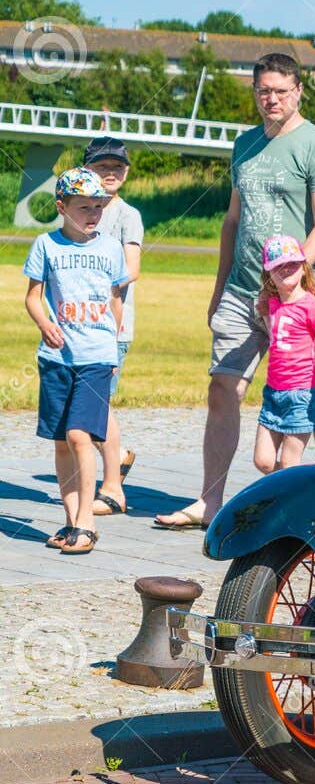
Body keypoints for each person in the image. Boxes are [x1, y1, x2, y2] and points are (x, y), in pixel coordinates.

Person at [155, 52, 315, 530]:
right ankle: (210, 502)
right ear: (255, 92)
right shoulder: (244, 145)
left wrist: (296, 277)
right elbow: (233, 220)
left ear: (299, 90)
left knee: (313, 396)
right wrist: (219, 288)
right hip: (243, 291)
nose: (272, 99)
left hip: (298, 296)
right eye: (264, 91)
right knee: (223, 388)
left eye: (281, 90)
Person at [23, 169, 128, 556]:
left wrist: (112, 346)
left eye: (99, 207)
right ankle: (71, 521)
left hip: (96, 357)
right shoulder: (46, 245)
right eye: (84, 207)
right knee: (61, 441)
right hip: (56, 358)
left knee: (80, 435)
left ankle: (88, 521)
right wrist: (44, 322)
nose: (93, 214)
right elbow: (33, 297)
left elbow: (116, 300)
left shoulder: (111, 249)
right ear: (61, 207)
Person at [81, 136, 142, 518]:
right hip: (78, 324)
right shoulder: (79, 211)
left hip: (111, 324)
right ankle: (115, 456)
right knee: (89, 403)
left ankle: (114, 488)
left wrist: (91, 286)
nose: (110, 172)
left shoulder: (126, 215)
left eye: (117, 166)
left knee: (98, 404)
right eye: (102, 166)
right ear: (86, 169)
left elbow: (131, 269)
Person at [253, 235, 315, 473]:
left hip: (303, 395)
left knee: (289, 462)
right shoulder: (271, 304)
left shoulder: (313, 306)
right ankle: (302, 484)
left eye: (292, 264)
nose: (286, 269)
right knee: (264, 461)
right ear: (269, 273)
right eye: (278, 266)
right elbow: (275, 337)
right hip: (273, 394)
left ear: (303, 267)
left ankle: (291, 499)